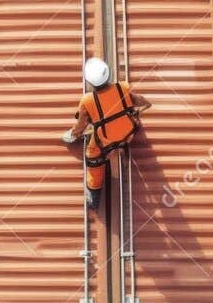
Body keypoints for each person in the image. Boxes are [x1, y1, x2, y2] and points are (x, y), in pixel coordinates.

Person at [61, 58, 150, 208]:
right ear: (108, 75)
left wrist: (73, 135)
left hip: (107, 141)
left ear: (90, 82)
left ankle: (93, 194)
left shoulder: (87, 101)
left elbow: (81, 127)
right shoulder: (123, 87)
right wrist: (145, 105)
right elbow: (139, 100)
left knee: (93, 157)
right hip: (128, 133)